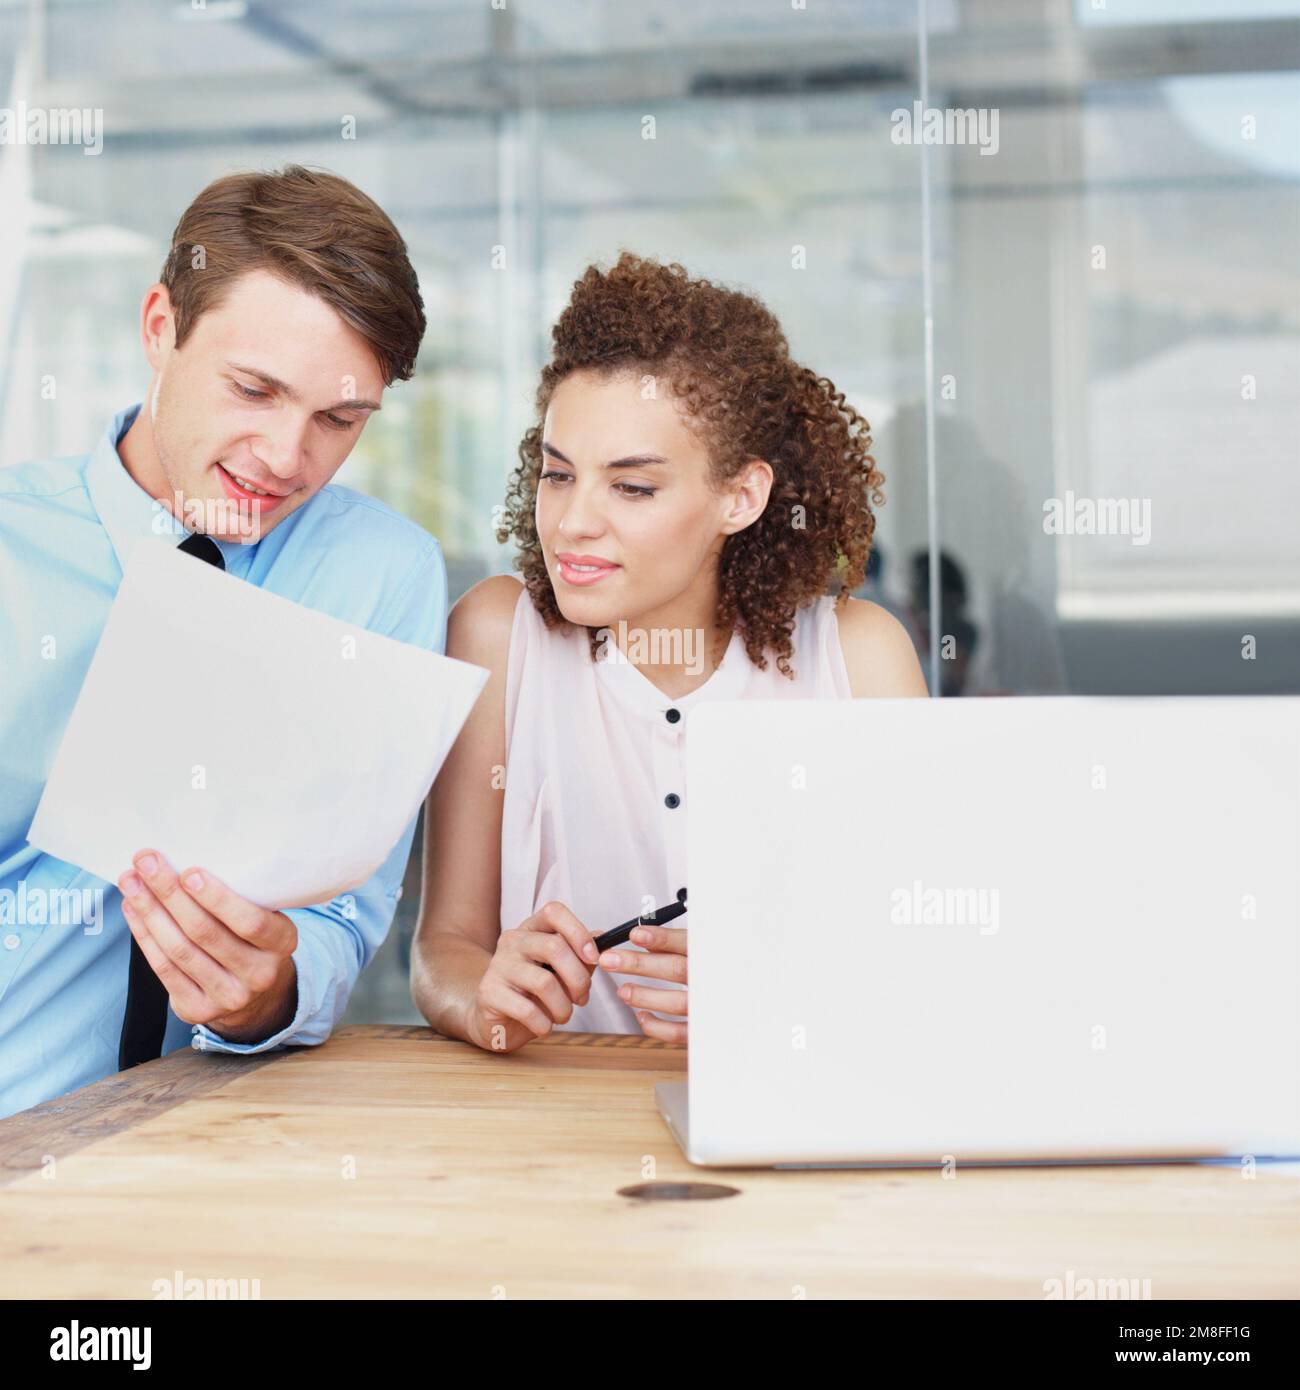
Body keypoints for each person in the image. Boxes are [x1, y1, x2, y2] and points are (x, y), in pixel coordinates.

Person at [0, 166, 445, 1118]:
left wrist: (272, 994)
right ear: (160, 328)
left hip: (211, 1154)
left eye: (339, 419)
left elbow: (342, 913)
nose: (288, 459)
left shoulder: (381, 575)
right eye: (253, 390)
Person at [412, 253, 927, 1052]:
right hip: (550, 1133)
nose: (573, 522)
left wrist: (775, 993)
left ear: (740, 497)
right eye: (558, 475)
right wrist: (482, 994)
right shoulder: (496, 637)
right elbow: (443, 947)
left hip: (791, 1130)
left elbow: (921, 965)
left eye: (633, 487)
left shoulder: (858, 660)